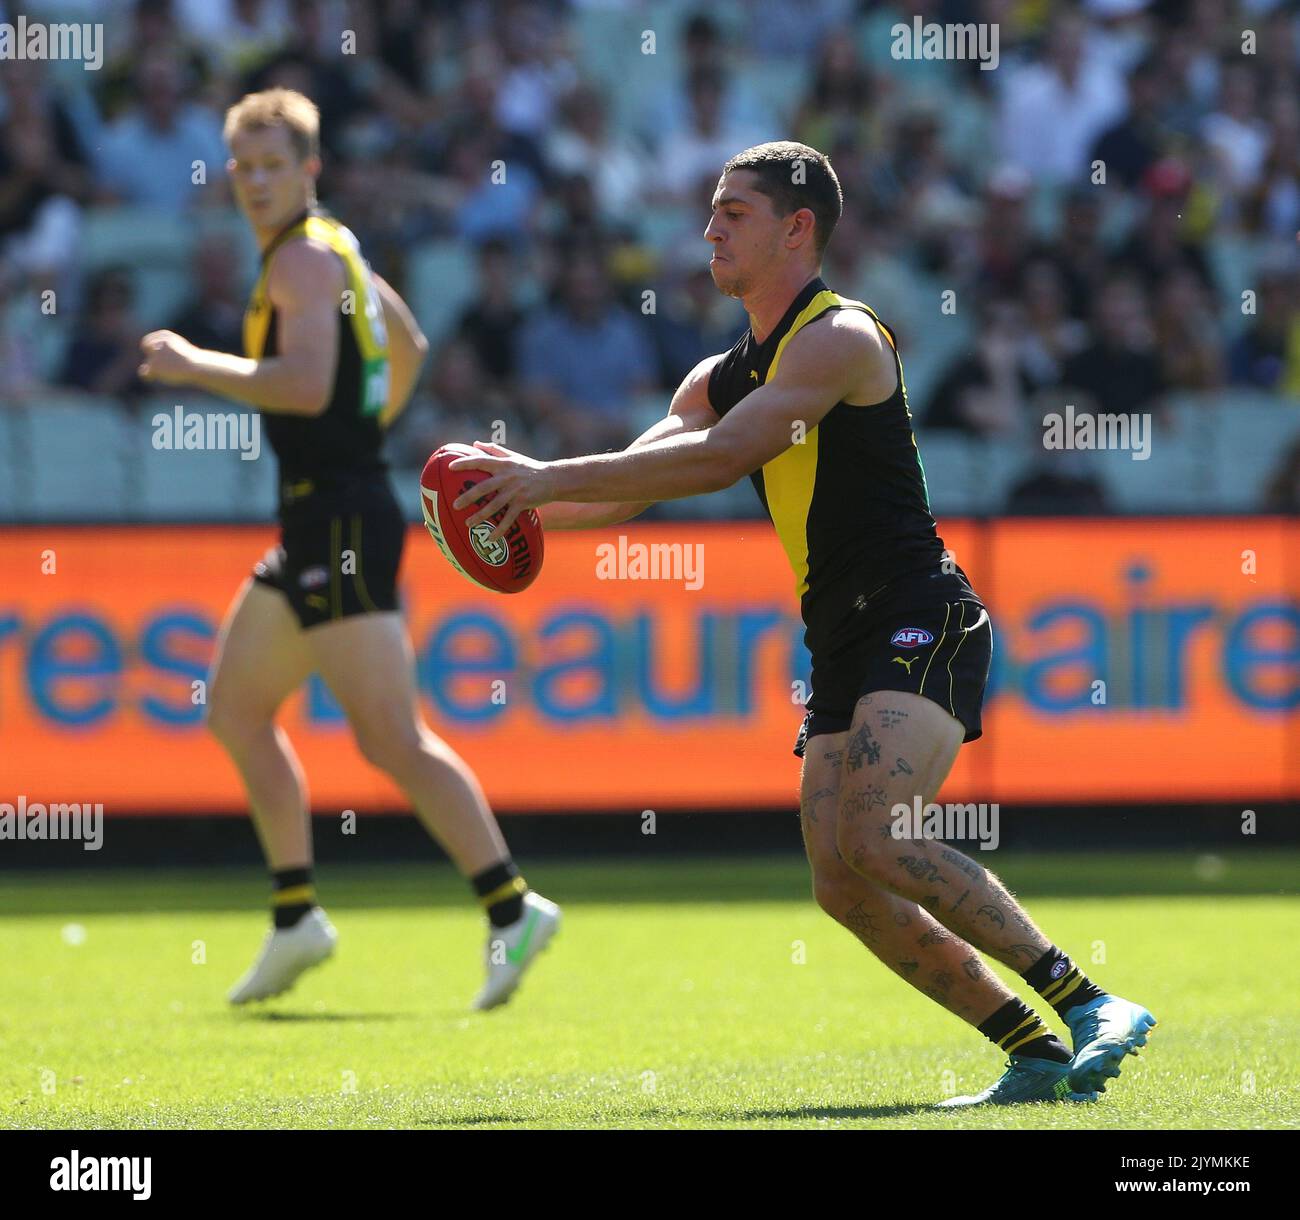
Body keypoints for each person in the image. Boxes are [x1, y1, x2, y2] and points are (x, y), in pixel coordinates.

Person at [450, 141, 1155, 1106]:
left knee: (876, 834)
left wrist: (543, 480)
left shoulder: (842, 338)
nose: (708, 230)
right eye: (710, 210)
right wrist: (504, 505)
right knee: (841, 881)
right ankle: (1031, 1049)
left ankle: (1088, 1003)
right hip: (842, 642)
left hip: (922, 615)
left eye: (732, 212)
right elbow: (627, 485)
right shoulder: (715, 374)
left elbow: (721, 458)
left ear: (797, 228)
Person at [138, 88, 558, 1011]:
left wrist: (190, 363)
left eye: (272, 166)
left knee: (390, 740)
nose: (254, 183)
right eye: (243, 167)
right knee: (238, 710)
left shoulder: (298, 261)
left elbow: (303, 380)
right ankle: (297, 918)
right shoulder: (336, 248)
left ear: (309, 169)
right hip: (326, 514)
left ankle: (511, 907)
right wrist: (361, 431)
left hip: (336, 518)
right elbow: (404, 342)